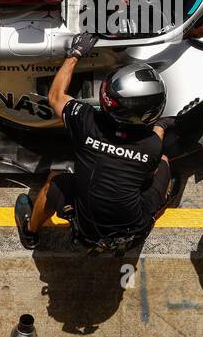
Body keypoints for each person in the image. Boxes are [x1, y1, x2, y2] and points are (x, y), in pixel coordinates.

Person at [14, 34, 173, 254]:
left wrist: (75, 54)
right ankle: (161, 203)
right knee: (162, 164)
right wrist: (163, 125)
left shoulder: (85, 120)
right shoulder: (151, 145)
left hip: (87, 231)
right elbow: (156, 138)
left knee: (54, 182)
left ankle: (30, 232)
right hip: (134, 235)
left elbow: (55, 96)